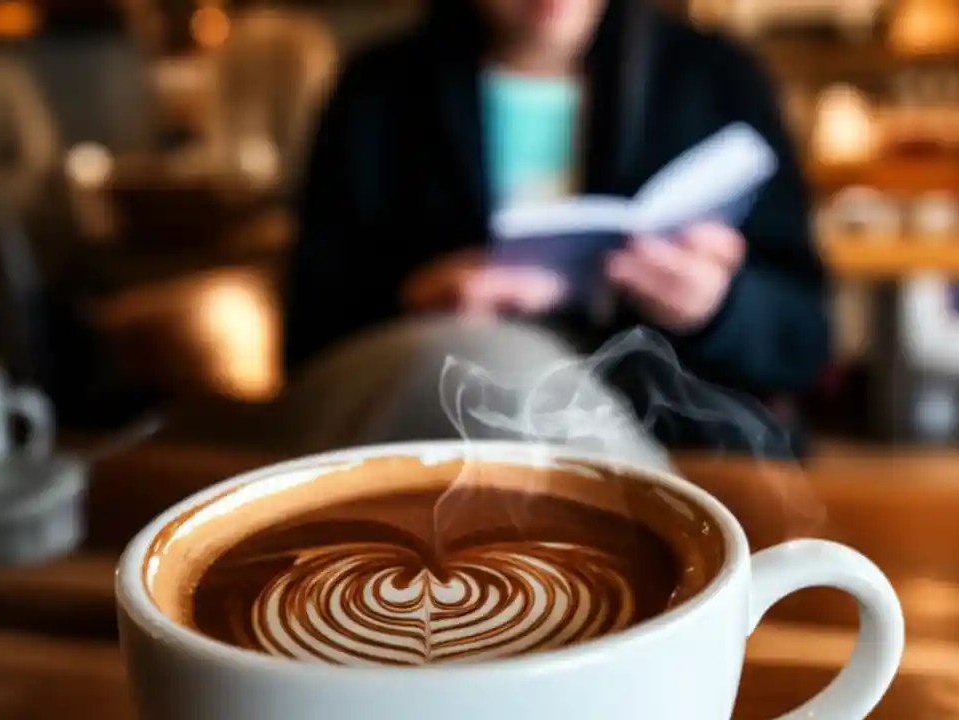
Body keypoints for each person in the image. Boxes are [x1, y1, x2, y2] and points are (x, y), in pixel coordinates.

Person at [282, 0, 829, 459]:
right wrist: (420, 297)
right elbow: (308, 342)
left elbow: (807, 338)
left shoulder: (714, 79)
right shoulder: (378, 90)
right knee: (491, 366)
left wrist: (718, 306)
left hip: (679, 436)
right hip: (438, 424)